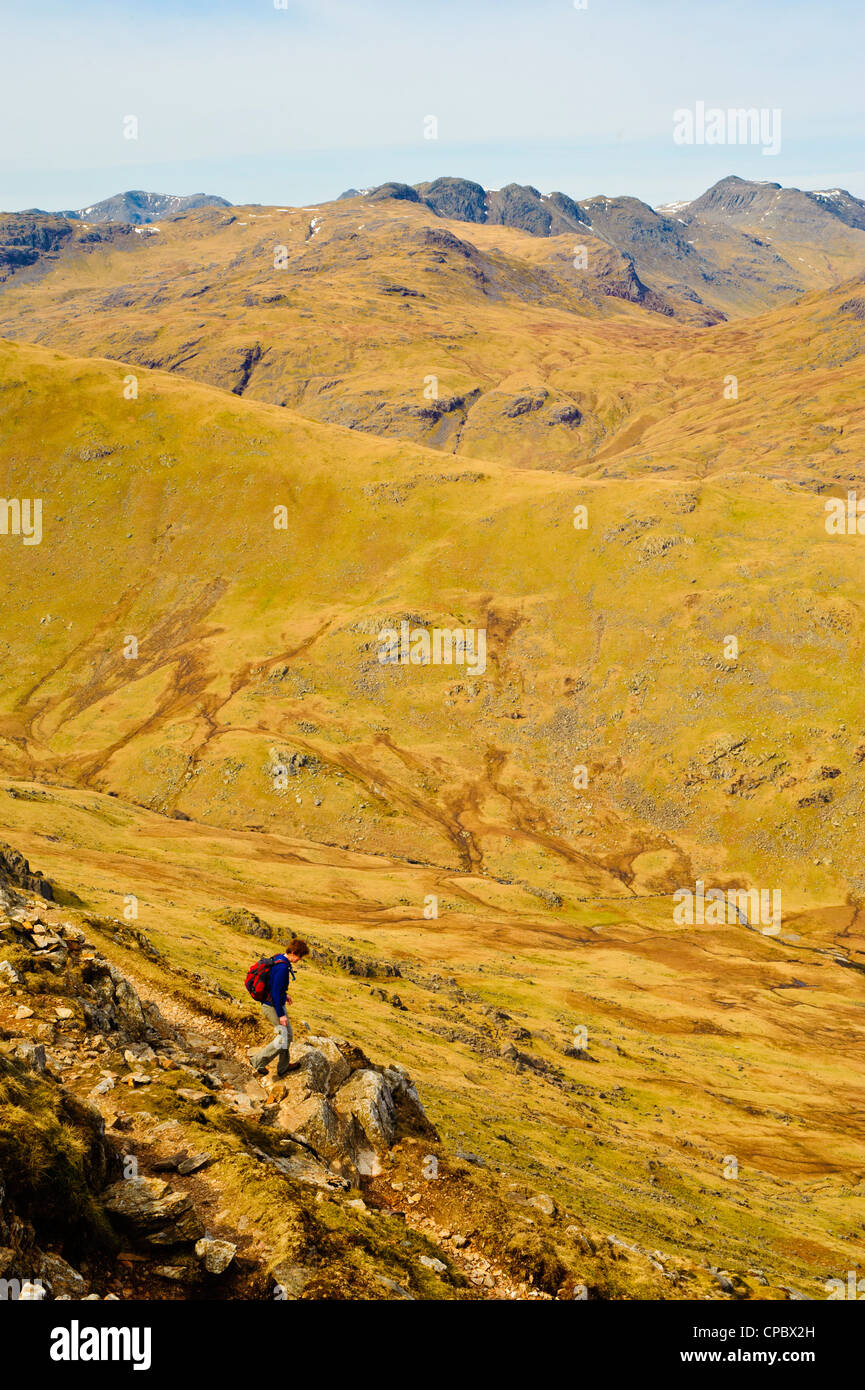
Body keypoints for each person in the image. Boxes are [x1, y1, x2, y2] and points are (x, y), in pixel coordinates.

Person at [251, 938, 309, 1078]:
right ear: (293, 953)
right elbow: (275, 993)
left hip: (274, 1003)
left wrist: (285, 995)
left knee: (287, 1035)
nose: (300, 959)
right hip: (272, 1006)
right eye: (300, 956)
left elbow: (274, 985)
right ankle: (257, 1061)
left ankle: (283, 1066)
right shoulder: (282, 968)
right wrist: (281, 1015)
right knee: (284, 1037)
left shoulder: (279, 958)